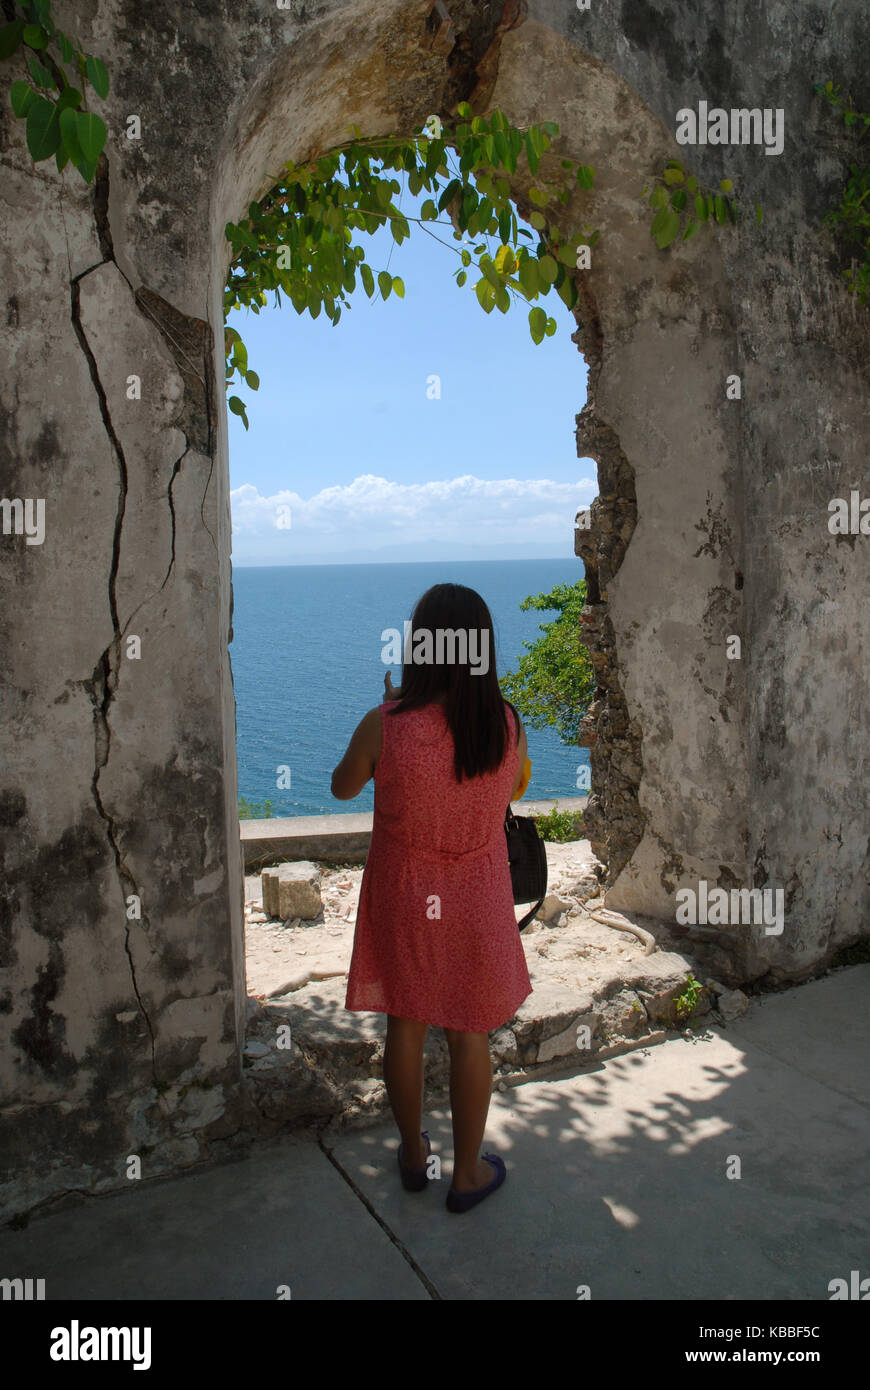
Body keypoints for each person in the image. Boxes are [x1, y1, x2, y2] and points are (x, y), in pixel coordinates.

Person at [331, 582, 533, 1213]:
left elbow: (342, 788)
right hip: (478, 896)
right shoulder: (504, 723)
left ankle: (415, 1155)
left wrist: (391, 711)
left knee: (407, 1027)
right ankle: (467, 1172)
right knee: (471, 1033)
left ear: (420, 646)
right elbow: (516, 791)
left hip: (406, 895)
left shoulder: (385, 726)